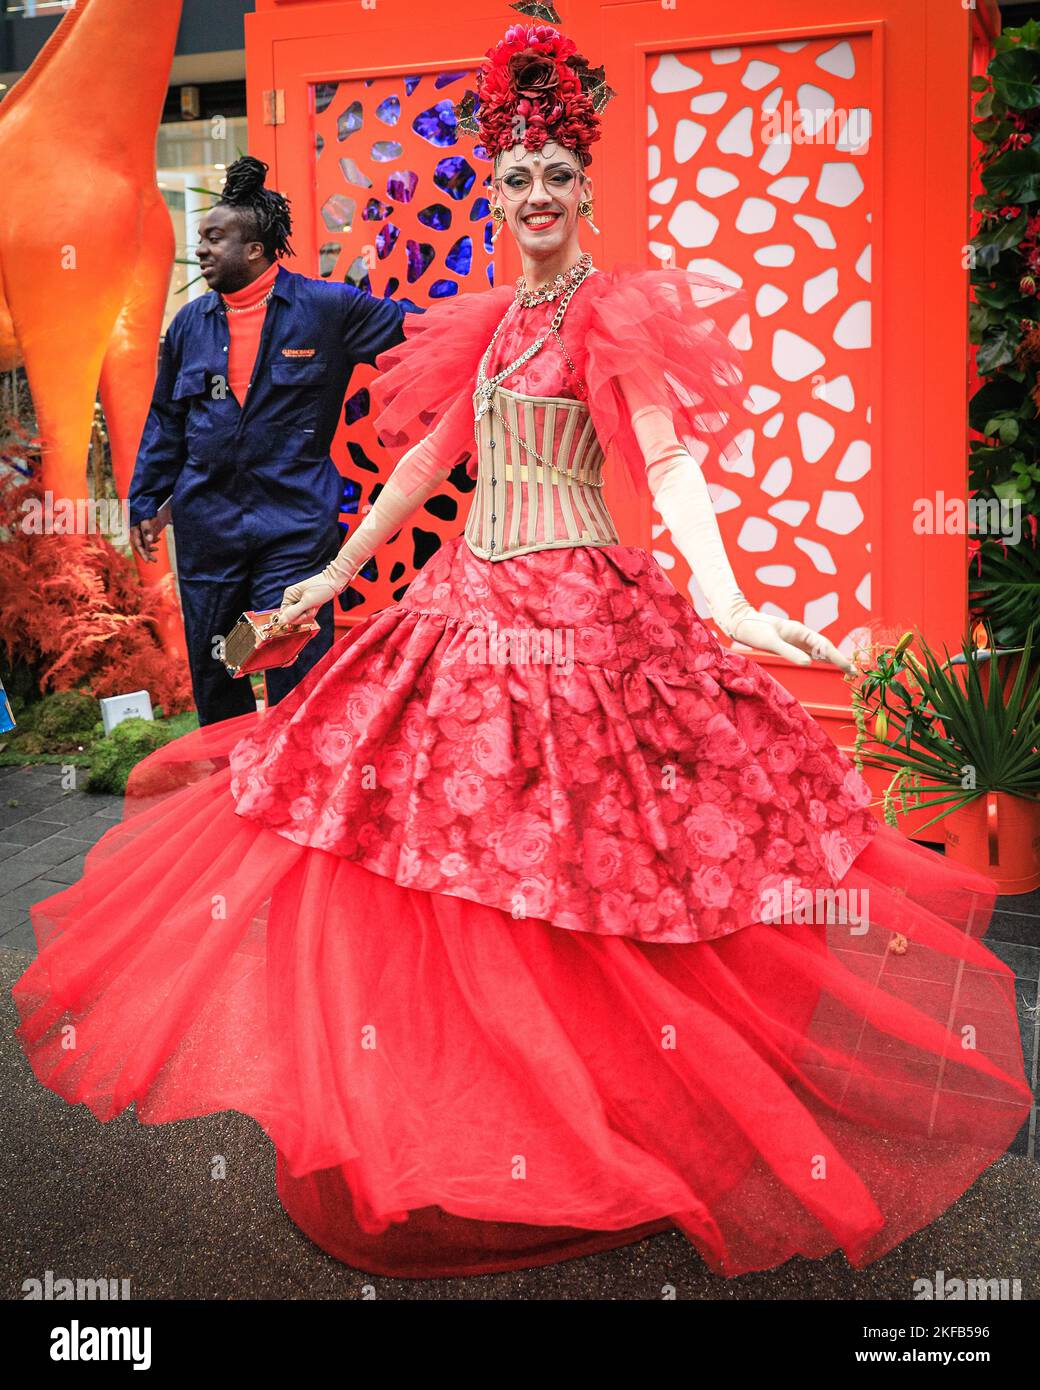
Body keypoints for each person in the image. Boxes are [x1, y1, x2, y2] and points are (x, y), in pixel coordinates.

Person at [12, 18, 1030, 1282]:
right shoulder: (492, 323)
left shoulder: (611, 314)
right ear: (494, 191)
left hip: (587, 614)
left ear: (583, 188)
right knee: (447, 863)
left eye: (553, 173)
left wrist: (723, 597)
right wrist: (325, 578)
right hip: (466, 607)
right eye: (514, 176)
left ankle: (612, 1112)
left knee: (601, 870)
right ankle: (492, 1115)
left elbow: (663, 459)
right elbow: (426, 463)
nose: (534, 195)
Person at [128, 156, 421, 725]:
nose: (202, 251)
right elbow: (166, 418)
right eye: (200, 239)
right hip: (208, 523)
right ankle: (230, 781)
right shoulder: (190, 324)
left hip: (293, 522)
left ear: (255, 250)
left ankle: (295, 784)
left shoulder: (325, 310)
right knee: (221, 662)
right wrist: (146, 501)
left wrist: (520, 314)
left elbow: (419, 331)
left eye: (215, 239)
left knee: (297, 660)